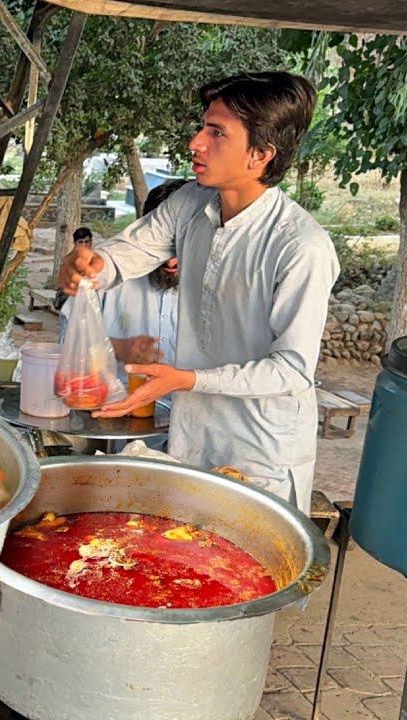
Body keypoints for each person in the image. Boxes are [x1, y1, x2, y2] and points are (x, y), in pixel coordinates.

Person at [58, 72, 339, 514]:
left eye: (216, 133)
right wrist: (90, 265)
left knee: (247, 575)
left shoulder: (300, 246)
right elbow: (128, 252)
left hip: (259, 448)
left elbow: (292, 370)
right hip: (193, 436)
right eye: (203, 126)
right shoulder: (192, 204)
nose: (196, 142)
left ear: (261, 155)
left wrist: (188, 379)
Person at [58, 181, 187, 371]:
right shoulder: (104, 278)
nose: (170, 262)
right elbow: (65, 345)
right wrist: (118, 349)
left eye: (180, 247)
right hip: (117, 397)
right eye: (162, 250)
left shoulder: (225, 289)